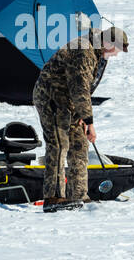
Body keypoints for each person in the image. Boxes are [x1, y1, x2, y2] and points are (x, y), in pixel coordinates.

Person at [31, 26, 128, 212]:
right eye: (116, 50)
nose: (115, 55)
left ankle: (79, 194)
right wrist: (89, 120)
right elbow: (80, 88)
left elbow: (82, 89)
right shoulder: (84, 50)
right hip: (52, 97)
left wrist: (81, 115)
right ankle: (54, 197)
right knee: (59, 145)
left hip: (70, 102)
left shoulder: (96, 50)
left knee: (79, 145)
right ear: (108, 43)